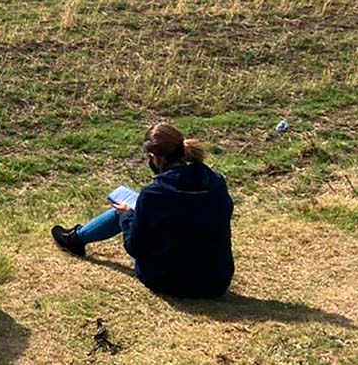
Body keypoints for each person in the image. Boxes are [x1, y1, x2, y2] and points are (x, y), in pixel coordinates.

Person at [50, 121, 235, 299]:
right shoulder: (215, 181)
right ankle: (77, 237)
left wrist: (127, 216)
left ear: (154, 158)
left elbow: (135, 247)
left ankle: (76, 238)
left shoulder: (154, 194)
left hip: (172, 281)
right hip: (217, 281)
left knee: (124, 211)